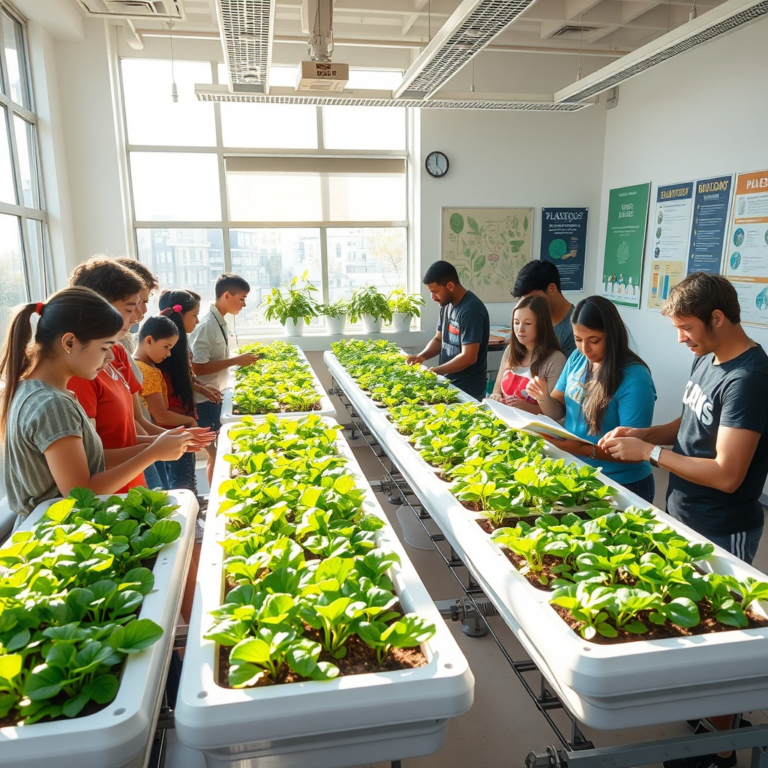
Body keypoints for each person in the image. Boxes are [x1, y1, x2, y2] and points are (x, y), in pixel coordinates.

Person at [600, 273, 768, 768]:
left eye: (686, 327)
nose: (680, 338)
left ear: (718, 318)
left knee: (722, 636)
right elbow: (690, 422)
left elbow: (727, 473)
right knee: (691, 621)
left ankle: (719, 751)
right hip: (685, 512)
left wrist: (649, 452)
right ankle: (706, 715)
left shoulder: (750, 378)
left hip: (723, 521)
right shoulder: (708, 357)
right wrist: (647, 432)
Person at [0, 288, 192, 523]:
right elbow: (82, 493)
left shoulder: (37, 390)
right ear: (69, 342)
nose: (111, 357)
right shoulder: (52, 404)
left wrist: (160, 443)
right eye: (104, 347)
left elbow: (91, 458)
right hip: (60, 538)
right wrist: (153, 453)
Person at [526, 296, 657, 503]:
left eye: (594, 340)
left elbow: (632, 449)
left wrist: (577, 448)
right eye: (578, 339)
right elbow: (558, 410)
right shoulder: (578, 358)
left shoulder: (635, 379)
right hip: (579, 471)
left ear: (612, 336)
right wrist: (542, 397)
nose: (585, 349)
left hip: (622, 483)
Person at [68, 257, 148, 491]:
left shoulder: (113, 354)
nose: (136, 317)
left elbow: (131, 427)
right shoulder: (80, 372)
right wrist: (154, 450)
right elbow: (91, 461)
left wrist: (162, 443)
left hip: (130, 485)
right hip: (110, 496)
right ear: (100, 306)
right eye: (130, 308)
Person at [190, 274, 259, 485]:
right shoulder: (207, 325)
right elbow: (198, 368)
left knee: (220, 453)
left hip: (214, 395)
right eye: (242, 298)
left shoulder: (219, 322)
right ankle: (215, 499)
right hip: (204, 401)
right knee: (215, 455)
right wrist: (236, 360)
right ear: (226, 295)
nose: (244, 304)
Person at [405, 261, 490, 401]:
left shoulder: (471, 310)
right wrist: (421, 356)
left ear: (450, 286)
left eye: (435, 291)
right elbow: (439, 339)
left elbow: (469, 357)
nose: (432, 297)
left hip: (468, 390)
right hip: (449, 383)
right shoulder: (446, 305)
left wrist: (434, 371)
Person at [489, 295, 566, 414]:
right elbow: (497, 389)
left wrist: (529, 408)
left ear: (541, 326)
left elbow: (555, 413)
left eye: (528, 323)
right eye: (516, 322)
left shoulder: (556, 359)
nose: (520, 329)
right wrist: (495, 397)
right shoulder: (510, 350)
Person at [512, 260, 576, 358]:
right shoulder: (530, 319)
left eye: (533, 298)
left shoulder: (574, 328)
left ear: (551, 289)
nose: (529, 304)